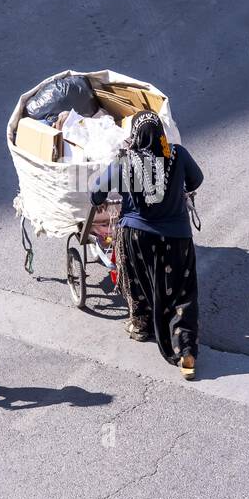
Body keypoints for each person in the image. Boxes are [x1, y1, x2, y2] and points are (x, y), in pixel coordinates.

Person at [91, 110, 204, 378]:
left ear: (135, 136)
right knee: (182, 293)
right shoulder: (177, 154)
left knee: (139, 281)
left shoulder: (125, 162)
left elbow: (97, 193)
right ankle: (185, 352)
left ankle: (141, 326)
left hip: (137, 238)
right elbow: (196, 180)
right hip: (176, 237)